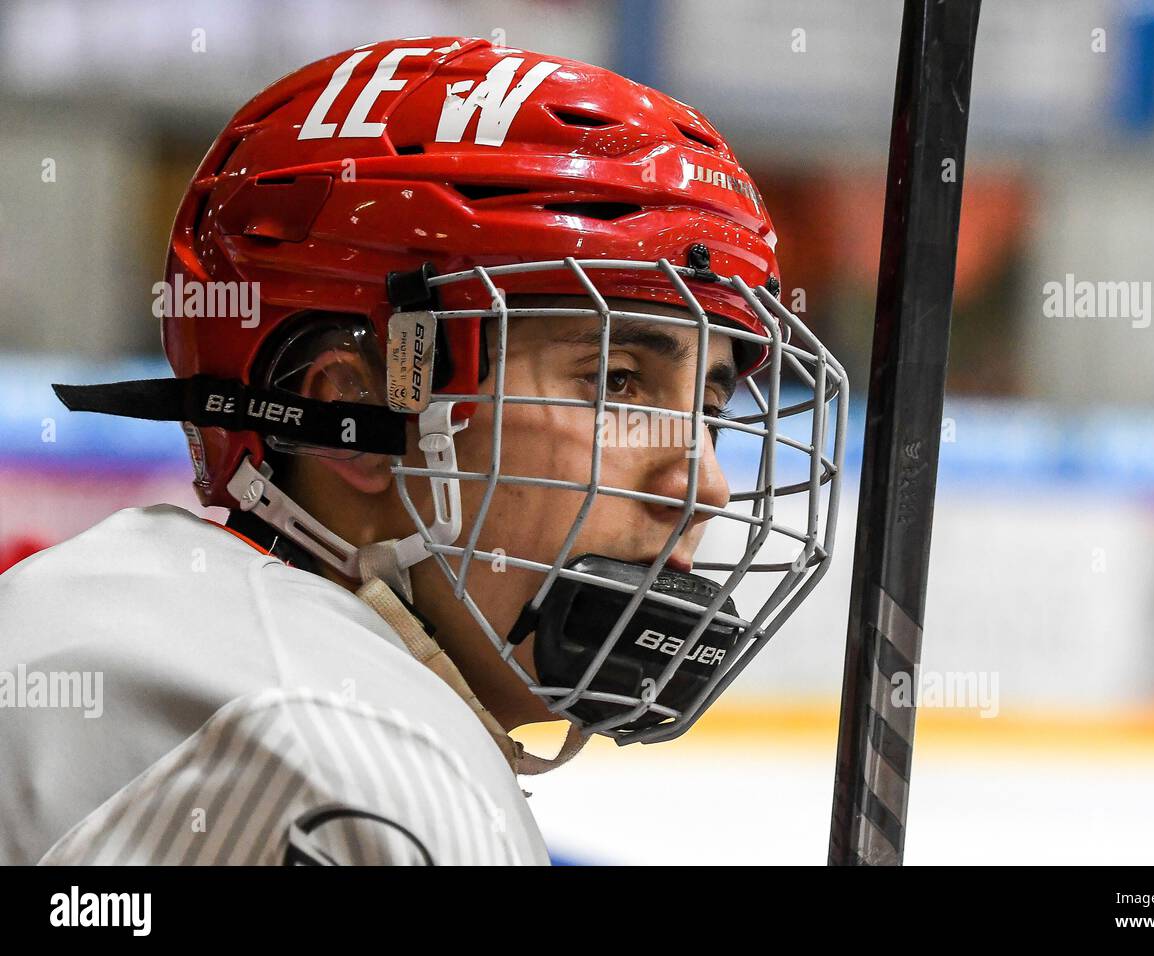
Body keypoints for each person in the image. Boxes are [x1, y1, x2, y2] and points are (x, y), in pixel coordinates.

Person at [0, 36, 846, 865]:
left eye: (709, 407)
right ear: (349, 410)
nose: (703, 485)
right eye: (616, 383)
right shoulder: (356, 760)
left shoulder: (115, 608)